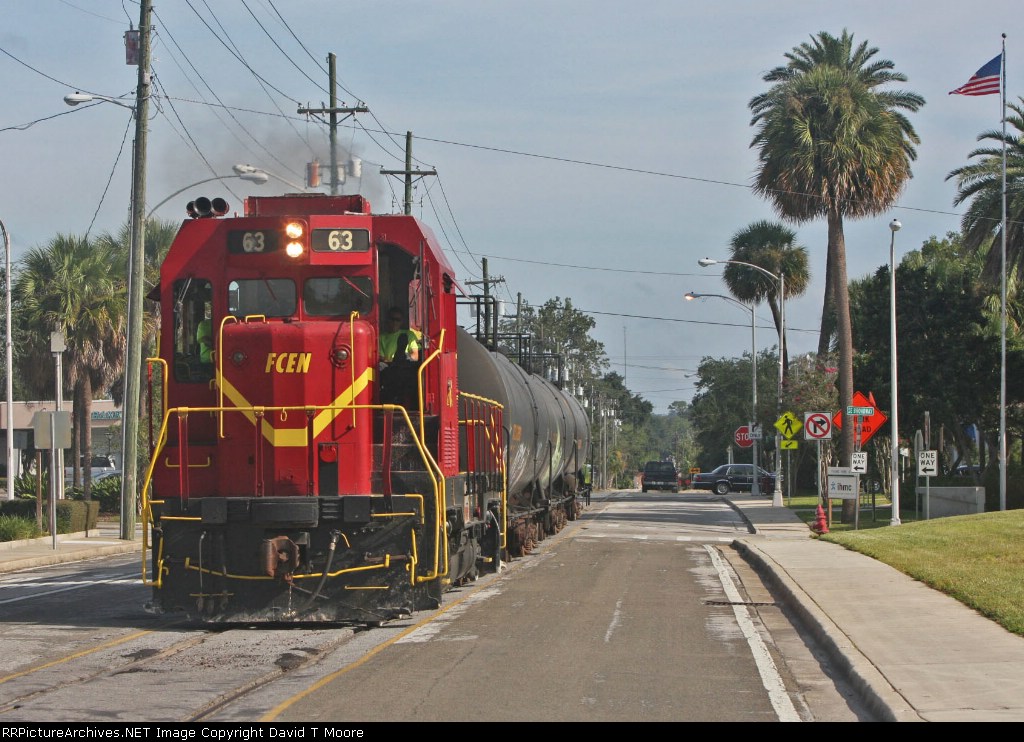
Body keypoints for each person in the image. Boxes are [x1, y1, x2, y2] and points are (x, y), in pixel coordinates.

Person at [379, 309, 423, 406]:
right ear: (387, 320)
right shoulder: (381, 337)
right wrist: (392, 362)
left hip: (405, 366)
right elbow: (381, 357)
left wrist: (404, 360)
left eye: (397, 320)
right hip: (388, 367)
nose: (394, 322)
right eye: (392, 319)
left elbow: (415, 356)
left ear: (402, 322)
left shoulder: (408, 334)